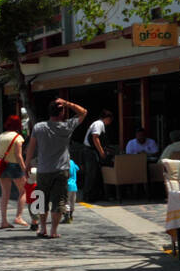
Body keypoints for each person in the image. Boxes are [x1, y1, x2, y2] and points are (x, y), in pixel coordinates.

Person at [24, 97, 88, 238]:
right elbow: (83, 112)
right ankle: (53, 230)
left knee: (41, 199)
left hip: (43, 170)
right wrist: (67, 103)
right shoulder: (67, 126)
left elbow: (31, 147)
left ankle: (42, 229)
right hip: (61, 170)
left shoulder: (39, 127)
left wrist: (27, 163)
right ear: (62, 113)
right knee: (58, 201)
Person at [0, 115, 27, 228]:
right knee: (23, 191)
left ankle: (3, 221)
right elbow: (18, 156)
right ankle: (18, 217)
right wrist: (24, 169)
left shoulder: (1, 136)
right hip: (15, 166)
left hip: (3, 166)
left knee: (5, 194)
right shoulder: (18, 137)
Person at [82, 109, 114, 201]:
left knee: (96, 174)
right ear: (106, 118)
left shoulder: (101, 125)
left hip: (93, 151)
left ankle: (95, 194)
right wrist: (101, 152)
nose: (110, 122)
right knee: (91, 174)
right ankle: (87, 195)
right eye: (110, 119)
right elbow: (95, 137)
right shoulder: (98, 124)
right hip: (90, 151)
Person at [64, 156, 79, 225]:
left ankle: (67, 215)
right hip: (74, 186)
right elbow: (77, 168)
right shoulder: (72, 162)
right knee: (72, 201)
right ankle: (71, 215)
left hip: (67, 185)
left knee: (67, 201)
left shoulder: (64, 164)